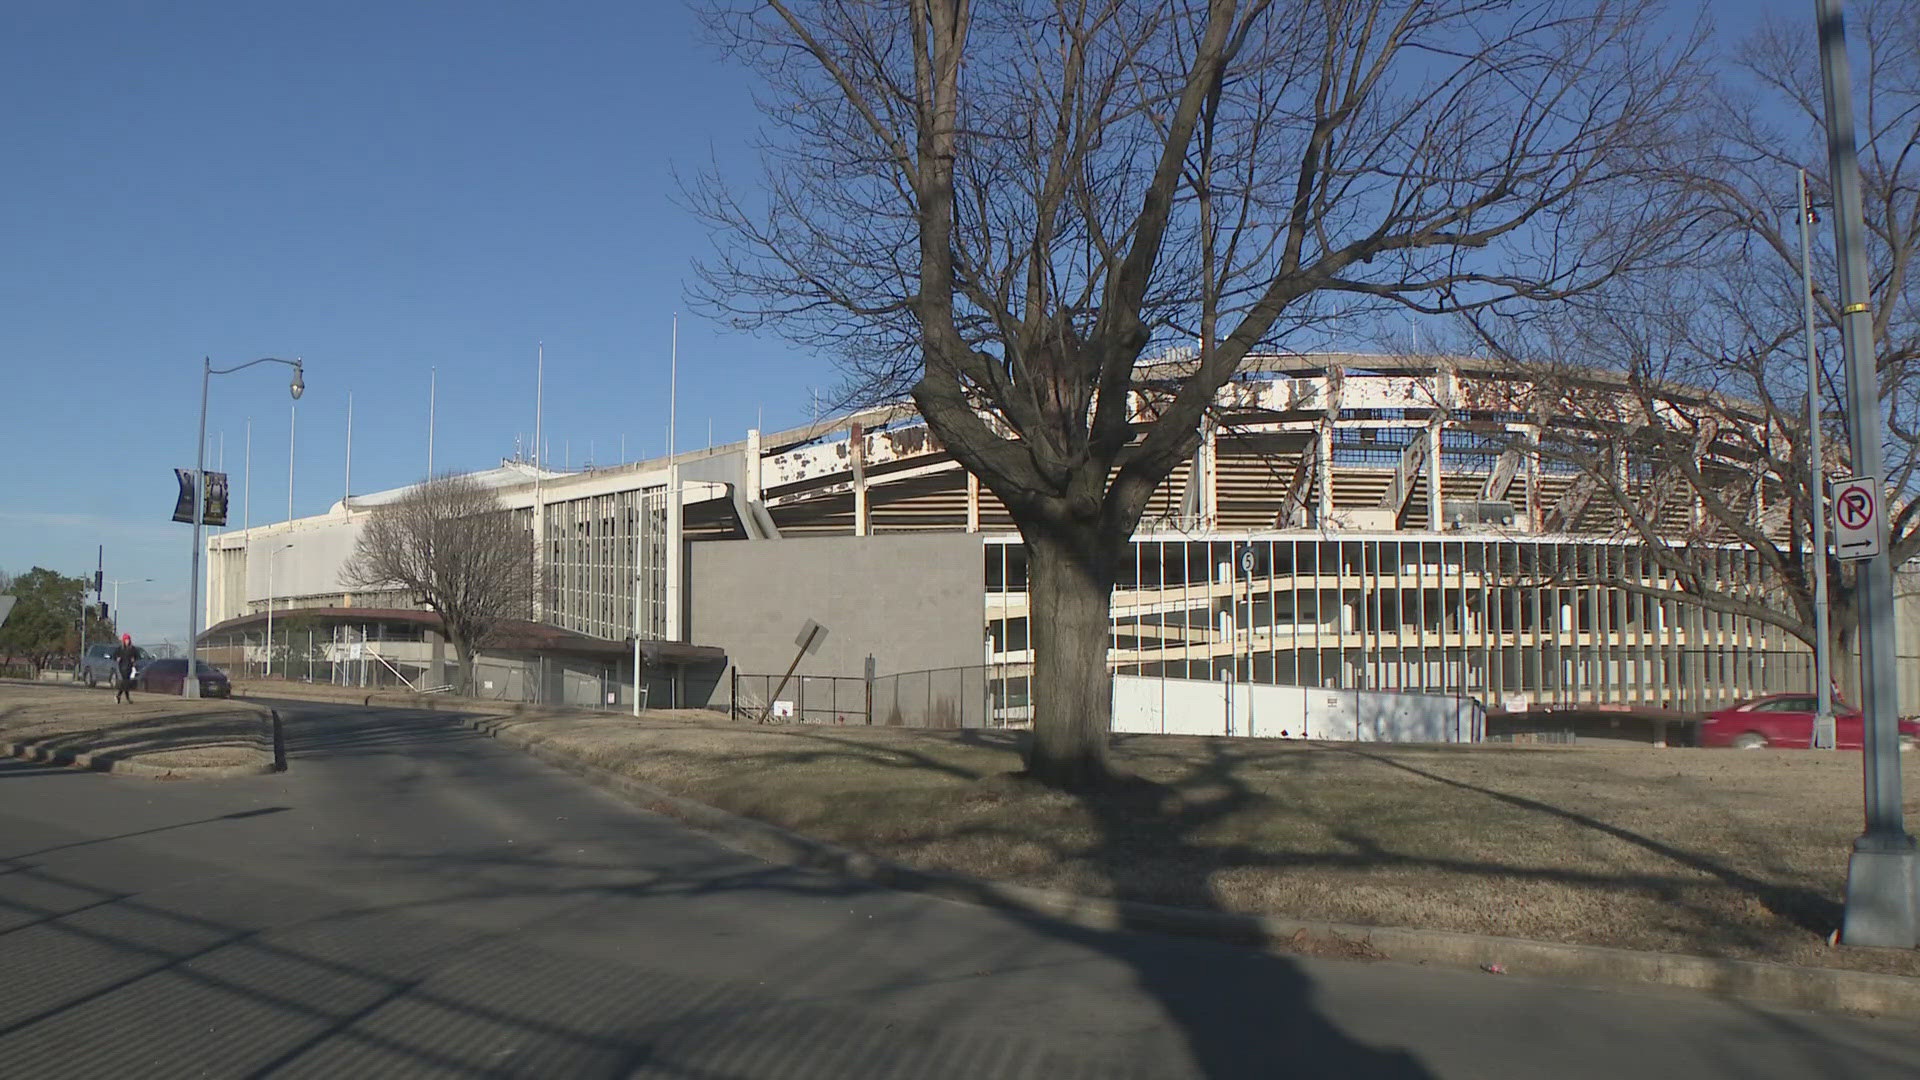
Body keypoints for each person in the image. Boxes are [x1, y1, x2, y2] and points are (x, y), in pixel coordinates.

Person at [113, 633, 139, 704]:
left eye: (128, 640)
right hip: (122, 667)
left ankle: (118, 695)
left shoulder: (132, 649)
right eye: (126, 640)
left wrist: (134, 659)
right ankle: (126, 698)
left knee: (126, 683)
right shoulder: (120, 649)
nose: (127, 641)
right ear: (123, 641)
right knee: (125, 682)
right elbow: (114, 655)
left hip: (129, 667)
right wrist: (117, 658)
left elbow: (137, 655)